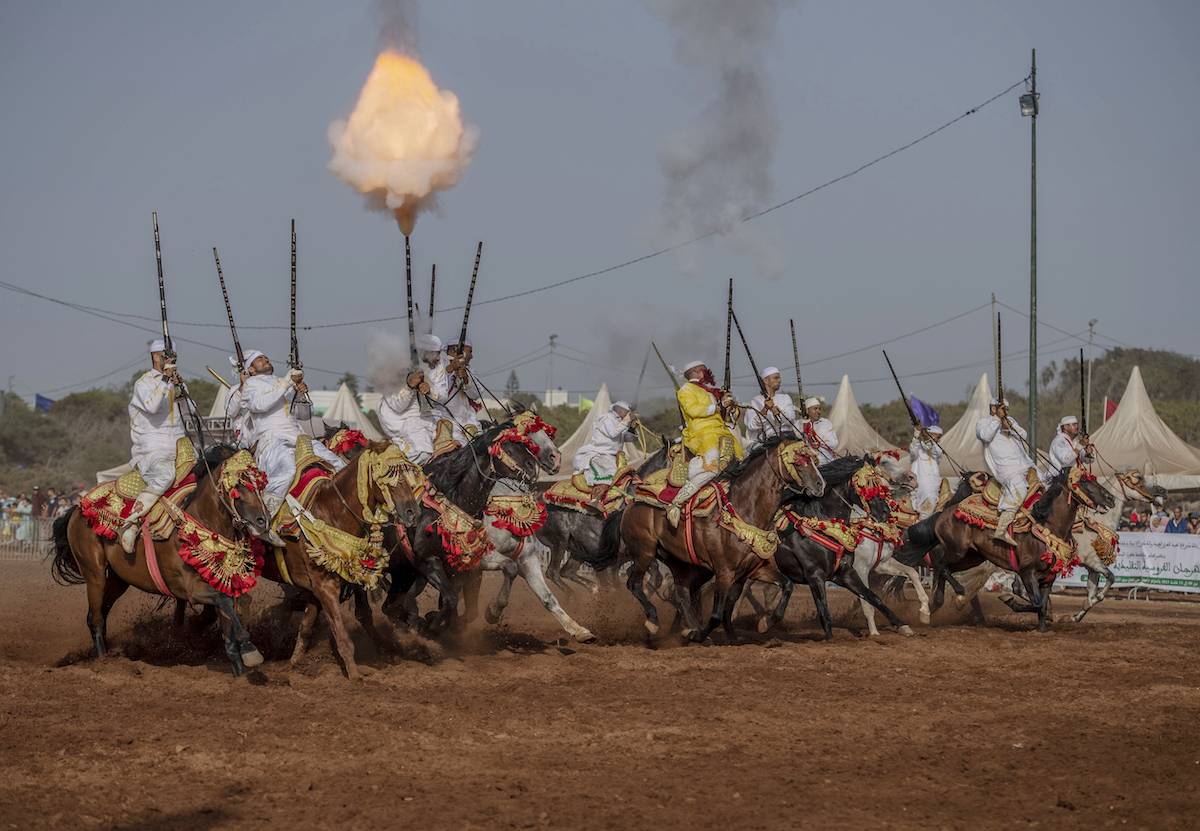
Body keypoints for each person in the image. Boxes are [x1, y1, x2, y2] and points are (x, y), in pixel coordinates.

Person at [241, 350, 345, 516]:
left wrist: (301, 395)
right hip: (273, 441)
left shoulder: (281, 382)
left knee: (338, 464)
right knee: (288, 471)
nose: (265, 359)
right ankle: (265, 517)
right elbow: (259, 405)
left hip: (298, 437)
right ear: (251, 369)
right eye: (259, 359)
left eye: (265, 356)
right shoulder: (251, 384)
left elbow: (304, 415)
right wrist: (287, 383)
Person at [118, 339, 187, 553]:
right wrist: (166, 379)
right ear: (153, 357)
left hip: (180, 448)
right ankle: (132, 522)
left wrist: (181, 390)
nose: (167, 359)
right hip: (152, 450)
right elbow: (153, 405)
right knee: (165, 476)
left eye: (171, 357)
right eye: (162, 356)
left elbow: (189, 413)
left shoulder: (175, 382)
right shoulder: (144, 382)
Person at [666, 360, 742, 528]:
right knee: (713, 467)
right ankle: (677, 501)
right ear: (697, 372)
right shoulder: (685, 390)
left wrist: (727, 403)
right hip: (702, 434)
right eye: (704, 370)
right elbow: (694, 411)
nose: (707, 372)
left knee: (742, 462)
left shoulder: (708, 391)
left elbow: (720, 413)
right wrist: (717, 405)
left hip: (720, 431)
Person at [378, 334, 446, 465]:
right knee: (424, 454)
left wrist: (430, 390)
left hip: (431, 419)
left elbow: (443, 396)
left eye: (439, 353)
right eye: (435, 354)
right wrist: (409, 386)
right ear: (424, 353)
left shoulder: (438, 366)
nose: (438, 358)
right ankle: (389, 470)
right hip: (403, 420)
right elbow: (397, 406)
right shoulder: (397, 368)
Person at [976, 397, 1034, 545]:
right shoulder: (984, 423)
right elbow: (985, 436)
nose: (1005, 411)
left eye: (1006, 409)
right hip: (1006, 469)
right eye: (1001, 408)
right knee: (1019, 490)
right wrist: (997, 420)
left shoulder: (1010, 420)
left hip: (1024, 464)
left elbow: (1024, 435)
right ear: (993, 408)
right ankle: (1001, 530)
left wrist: (1011, 428)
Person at [573, 401, 639, 508]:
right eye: (627, 412)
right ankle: (595, 500)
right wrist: (626, 421)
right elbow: (612, 433)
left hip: (614, 458)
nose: (628, 414)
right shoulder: (606, 419)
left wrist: (632, 427)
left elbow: (631, 438)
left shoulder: (620, 423)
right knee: (611, 474)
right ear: (619, 410)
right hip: (599, 455)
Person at [442, 338, 483, 442]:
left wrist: (465, 379)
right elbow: (435, 392)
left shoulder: (469, 370)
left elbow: (476, 395)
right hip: (445, 422)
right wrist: (450, 369)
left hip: (468, 422)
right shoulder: (438, 366)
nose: (472, 356)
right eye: (470, 351)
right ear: (457, 351)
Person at [744, 367, 796, 450]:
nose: (779, 380)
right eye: (776, 378)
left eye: (779, 378)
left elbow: (791, 419)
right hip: (768, 441)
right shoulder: (755, 401)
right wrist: (765, 409)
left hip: (789, 437)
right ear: (766, 381)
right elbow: (752, 425)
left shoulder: (785, 398)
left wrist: (777, 413)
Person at [908, 425, 945, 517]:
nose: (936, 439)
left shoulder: (937, 449)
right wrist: (916, 435)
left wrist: (929, 441)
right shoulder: (918, 447)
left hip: (933, 484)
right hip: (920, 483)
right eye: (933, 435)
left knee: (930, 508)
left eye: (938, 437)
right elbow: (913, 451)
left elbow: (935, 451)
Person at [801, 397, 839, 465]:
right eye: (815, 409)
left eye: (819, 409)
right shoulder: (800, 424)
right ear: (807, 411)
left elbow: (834, 443)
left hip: (827, 463)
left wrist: (820, 444)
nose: (818, 411)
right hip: (809, 465)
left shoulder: (826, 423)